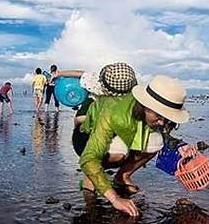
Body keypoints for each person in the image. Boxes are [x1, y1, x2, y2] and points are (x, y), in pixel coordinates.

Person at [79, 74, 190, 217]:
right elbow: (89, 157)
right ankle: (91, 179)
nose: (162, 123)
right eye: (159, 116)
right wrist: (115, 198)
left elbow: (161, 134)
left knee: (156, 142)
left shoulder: (152, 116)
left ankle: (121, 176)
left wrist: (179, 145)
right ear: (145, 106)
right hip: (86, 137)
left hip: (123, 130)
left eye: (166, 118)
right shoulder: (113, 111)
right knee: (117, 153)